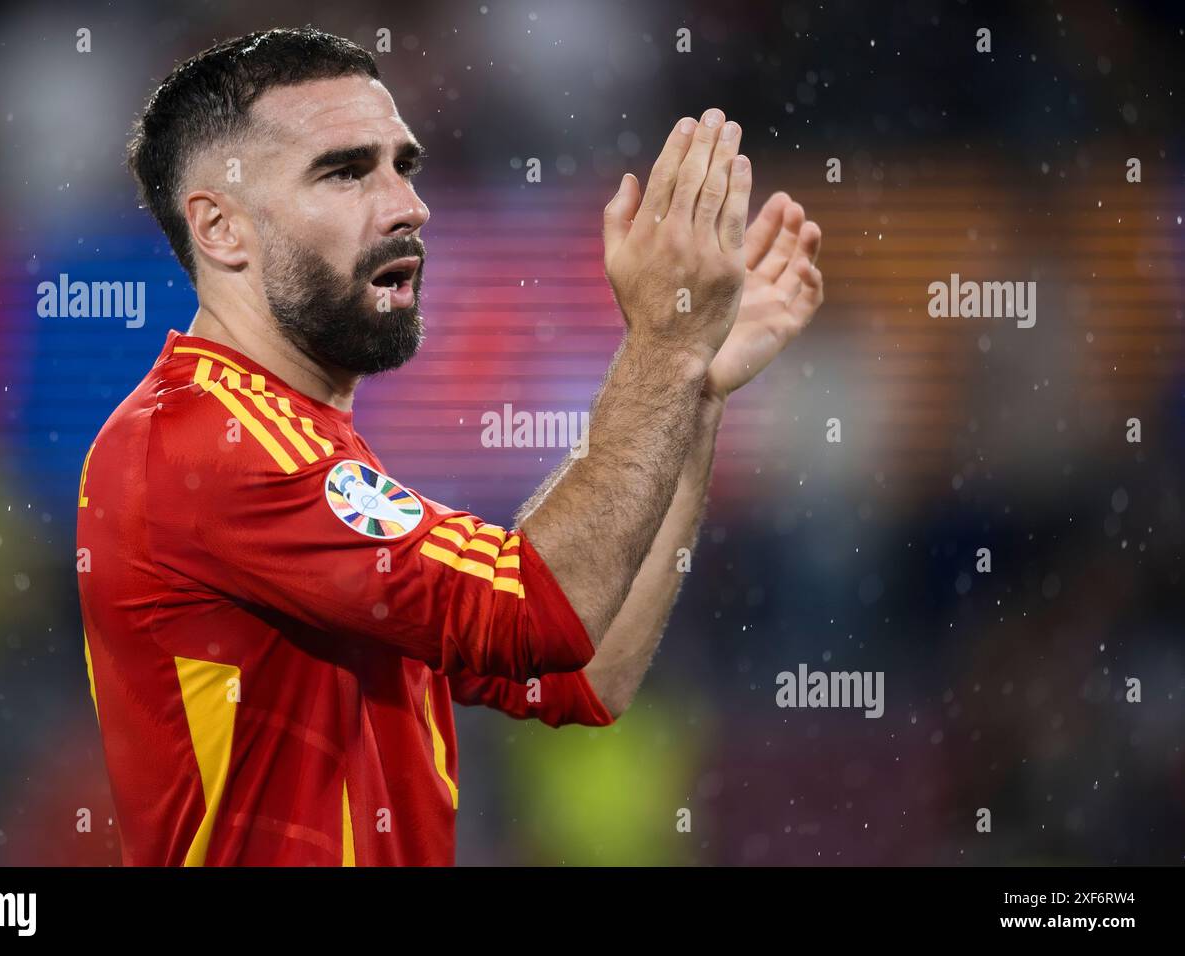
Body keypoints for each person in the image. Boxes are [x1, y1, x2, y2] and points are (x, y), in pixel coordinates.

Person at [77, 27, 824, 865]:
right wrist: (663, 350)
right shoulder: (203, 446)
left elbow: (585, 672)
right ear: (221, 229)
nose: (408, 205)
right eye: (346, 171)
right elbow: (538, 612)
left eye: (405, 166)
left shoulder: (303, 443)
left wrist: (695, 389)